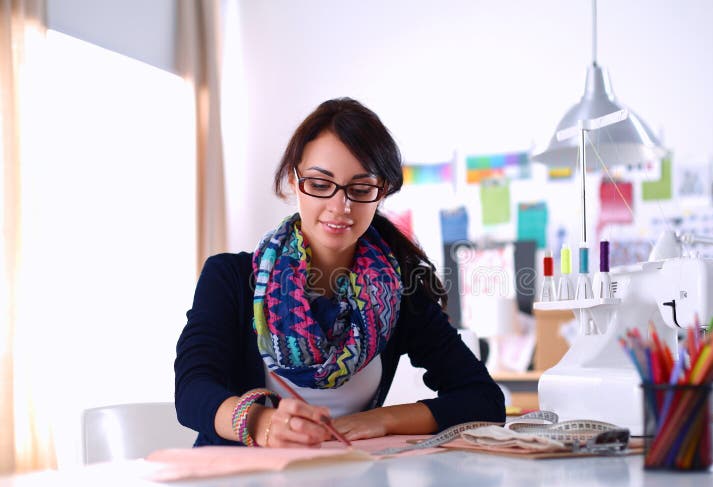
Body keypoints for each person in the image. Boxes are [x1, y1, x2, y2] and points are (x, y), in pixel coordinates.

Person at [175, 97, 505, 448]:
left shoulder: (397, 290)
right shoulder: (230, 277)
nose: (340, 206)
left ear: (381, 192)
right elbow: (192, 391)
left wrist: (382, 419)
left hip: (349, 476)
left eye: (360, 190)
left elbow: (483, 399)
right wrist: (262, 423)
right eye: (320, 185)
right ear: (294, 181)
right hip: (237, 478)